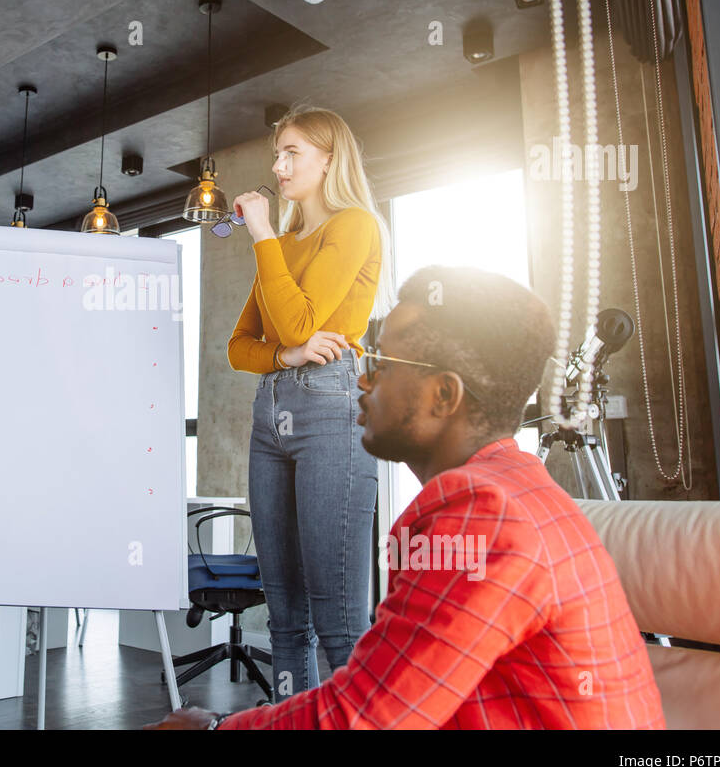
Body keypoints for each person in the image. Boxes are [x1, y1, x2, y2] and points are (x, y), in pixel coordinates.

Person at [150, 266, 665, 729]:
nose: (362, 376)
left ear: (444, 395)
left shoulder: (480, 510)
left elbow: (366, 718)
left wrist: (213, 730)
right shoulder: (520, 483)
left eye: (381, 360)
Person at [226, 104, 389, 700]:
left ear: (329, 159)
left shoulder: (354, 226)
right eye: (277, 153)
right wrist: (286, 359)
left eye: (291, 152)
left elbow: (296, 323)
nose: (278, 164)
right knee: (285, 618)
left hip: (329, 411)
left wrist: (264, 234)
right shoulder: (287, 244)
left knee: (339, 619)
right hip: (270, 411)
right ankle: (293, 716)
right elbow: (239, 348)